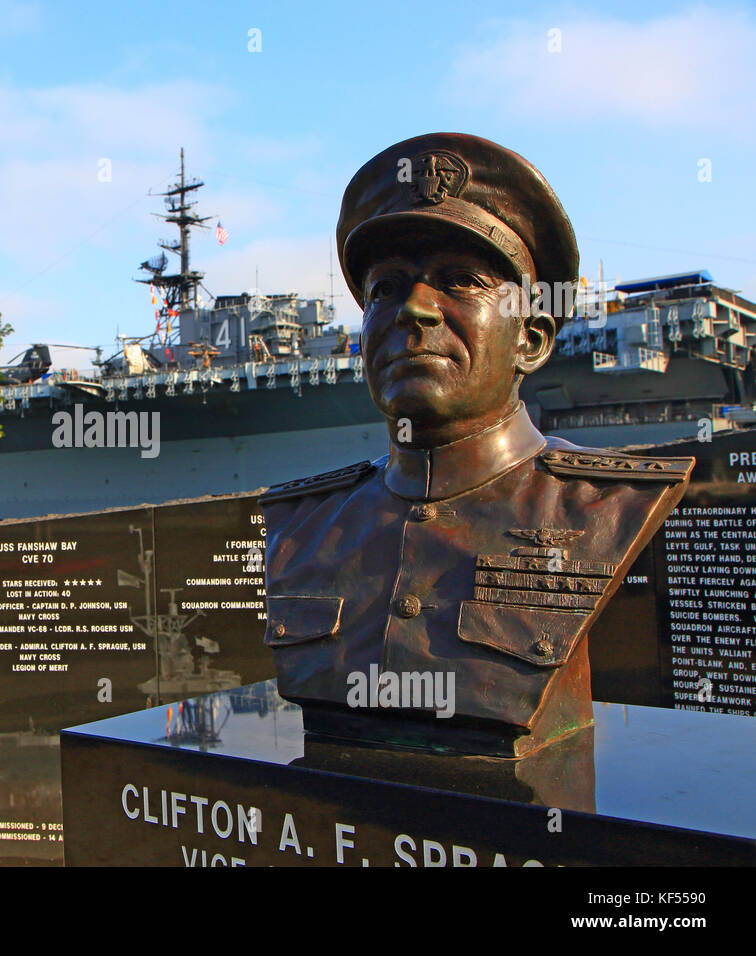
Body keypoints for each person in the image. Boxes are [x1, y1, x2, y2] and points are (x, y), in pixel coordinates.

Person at [259, 133, 692, 757]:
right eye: (384, 288)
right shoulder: (301, 522)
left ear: (532, 341)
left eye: (460, 280)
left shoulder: (608, 506)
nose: (414, 309)